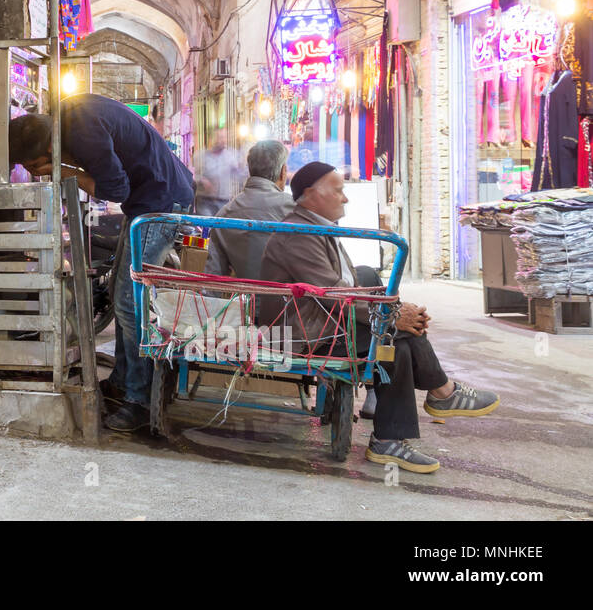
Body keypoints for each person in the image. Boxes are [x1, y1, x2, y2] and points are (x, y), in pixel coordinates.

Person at [259, 162, 500, 474]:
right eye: (337, 190)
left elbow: (344, 288)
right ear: (310, 194)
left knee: (395, 328)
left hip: (320, 322)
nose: (344, 198)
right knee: (392, 337)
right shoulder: (300, 235)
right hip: (299, 334)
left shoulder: (316, 228)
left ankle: (412, 420)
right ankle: (435, 399)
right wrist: (392, 316)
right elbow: (333, 295)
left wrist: (396, 310)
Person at [9, 94, 195, 432]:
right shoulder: (71, 118)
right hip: (149, 203)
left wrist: (63, 171)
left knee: (128, 301)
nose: (32, 173)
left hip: (161, 204)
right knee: (122, 295)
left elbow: (116, 189)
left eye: (32, 167)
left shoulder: (81, 130)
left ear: (45, 152)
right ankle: (124, 383)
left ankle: (140, 402)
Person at [205, 140, 294, 279]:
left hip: (248, 300)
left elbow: (213, 279)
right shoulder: (295, 210)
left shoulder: (224, 215)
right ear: (283, 172)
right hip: (294, 299)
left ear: (250, 170)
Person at [194, 130, 243, 216]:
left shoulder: (231, 155)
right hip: (205, 201)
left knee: (221, 227)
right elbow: (191, 174)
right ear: (211, 139)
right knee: (207, 227)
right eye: (220, 137)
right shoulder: (200, 155)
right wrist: (201, 180)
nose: (223, 140)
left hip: (224, 202)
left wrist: (239, 169)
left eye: (224, 137)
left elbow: (239, 175)